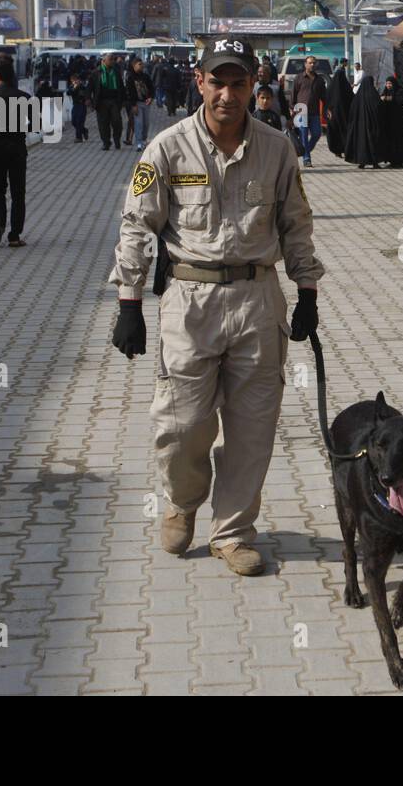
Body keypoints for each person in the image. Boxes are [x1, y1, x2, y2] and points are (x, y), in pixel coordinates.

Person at [109, 36, 323, 576]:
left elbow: (295, 222)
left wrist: (308, 292)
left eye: (238, 82)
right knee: (181, 426)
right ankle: (183, 502)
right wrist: (128, 300)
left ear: (255, 85)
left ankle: (232, 532)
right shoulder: (166, 148)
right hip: (189, 301)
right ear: (200, 83)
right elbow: (137, 223)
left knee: (252, 428)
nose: (227, 93)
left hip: (258, 298)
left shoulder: (277, 148)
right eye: (217, 81)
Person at [0, 58, 30, 248]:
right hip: (18, 149)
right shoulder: (24, 97)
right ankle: (15, 235)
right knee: (18, 192)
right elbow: (35, 125)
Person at [291, 54, 328, 167]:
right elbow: (294, 94)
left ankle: (304, 150)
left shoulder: (319, 80)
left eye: (313, 63)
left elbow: (324, 97)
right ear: (305, 64)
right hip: (301, 111)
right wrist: (292, 108)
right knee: (303, 135)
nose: (312, 65)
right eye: (310, 63)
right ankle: (307, 158)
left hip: (314, 112)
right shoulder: (299, 78)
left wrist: (328, 108)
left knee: (317, 134)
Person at [345, 74, 383, 168]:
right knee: (373, 142)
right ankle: (375, 162)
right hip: (373, 125)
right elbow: (379, 108)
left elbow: (352, 111)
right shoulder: (374, 95)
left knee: (361, 143)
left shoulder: (358, 97)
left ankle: (362, 162)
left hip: (360, 127)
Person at [91, 53, 125, 150]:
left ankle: (117, 140)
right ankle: (106, 142)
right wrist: (88, 99)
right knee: (103, 123)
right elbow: (90, 87)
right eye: (110, 59)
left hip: (114, 101)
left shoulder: (116, 71)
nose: (112, 61)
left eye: (113, 59)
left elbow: (121, 86)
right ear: (104, 61)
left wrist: (123, 100)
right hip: (101, 101)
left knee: (117, 122)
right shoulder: (96, 72)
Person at [379, 76, 403, 168]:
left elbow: (400, 100)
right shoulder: (385, 91)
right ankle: (392, 161)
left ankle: (398, 161)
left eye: (390, 83)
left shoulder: (400, 91)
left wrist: (387, 99)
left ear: (394, 83)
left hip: (399, 123)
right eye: (387, 83)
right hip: (389, 122)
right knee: (390, 142)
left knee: (398, 142)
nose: (388, 85)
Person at [126, 56, 155, 152]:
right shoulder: (130, 77)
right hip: (137, 103)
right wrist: (133, 105)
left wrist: (151, 97)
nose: (142, 66)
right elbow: (129, 92)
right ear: (134, 65)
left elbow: (151, 88)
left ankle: (144, 140)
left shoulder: (145, 76)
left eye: (142, 64)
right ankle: (139, 143)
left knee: (146, 123)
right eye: (139, 64)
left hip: (146, 103)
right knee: (139, 123)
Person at [324, 64, 353, 157]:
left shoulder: (330, 88)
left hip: (333, 115)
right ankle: (346, 149)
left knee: (335, 132)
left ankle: (337, 150)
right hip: (345, 115)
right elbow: (352, 98)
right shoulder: (346, 87)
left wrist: (328, 112)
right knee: (345, 131)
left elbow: (326, 101)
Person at [68, 72, 89, 142]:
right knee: (73, 121)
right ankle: (84, 130)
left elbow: (85, 94)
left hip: (82, 105)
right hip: (75, 105)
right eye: (73, 80)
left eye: (75, 80)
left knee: (79, 121)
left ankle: (78, 137)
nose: (74, 81)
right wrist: (74, 87)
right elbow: (69, 93)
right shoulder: (72, 86)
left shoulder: (82, 86)